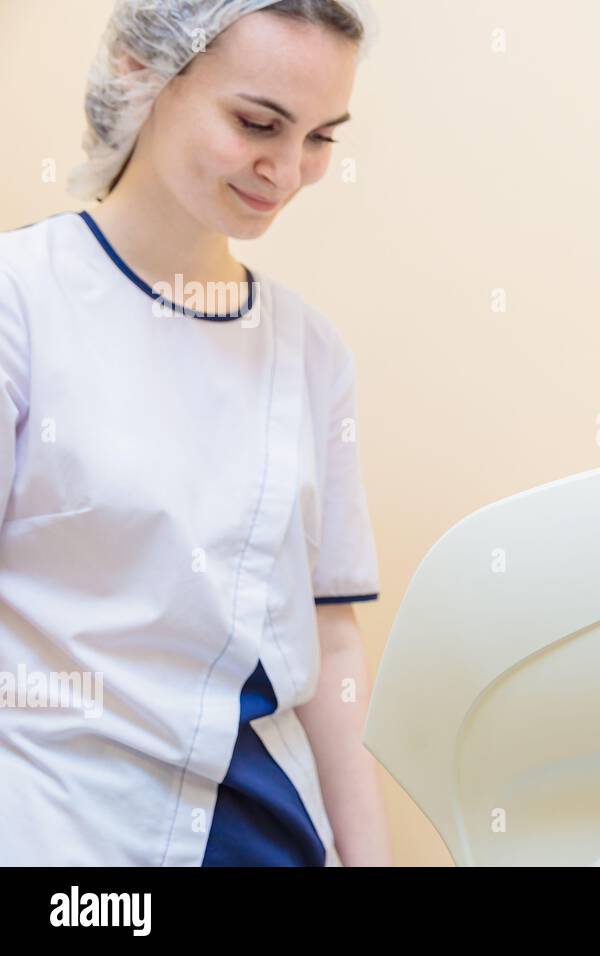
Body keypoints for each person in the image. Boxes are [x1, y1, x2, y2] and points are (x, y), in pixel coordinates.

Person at [0, 0, 389, 865]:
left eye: (322, 138)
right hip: (63, 825)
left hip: (266, 825)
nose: (286, 170)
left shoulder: (310, 351)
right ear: (142, 72)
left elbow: (329, 639)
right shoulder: (21, 302)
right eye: (259, 122)